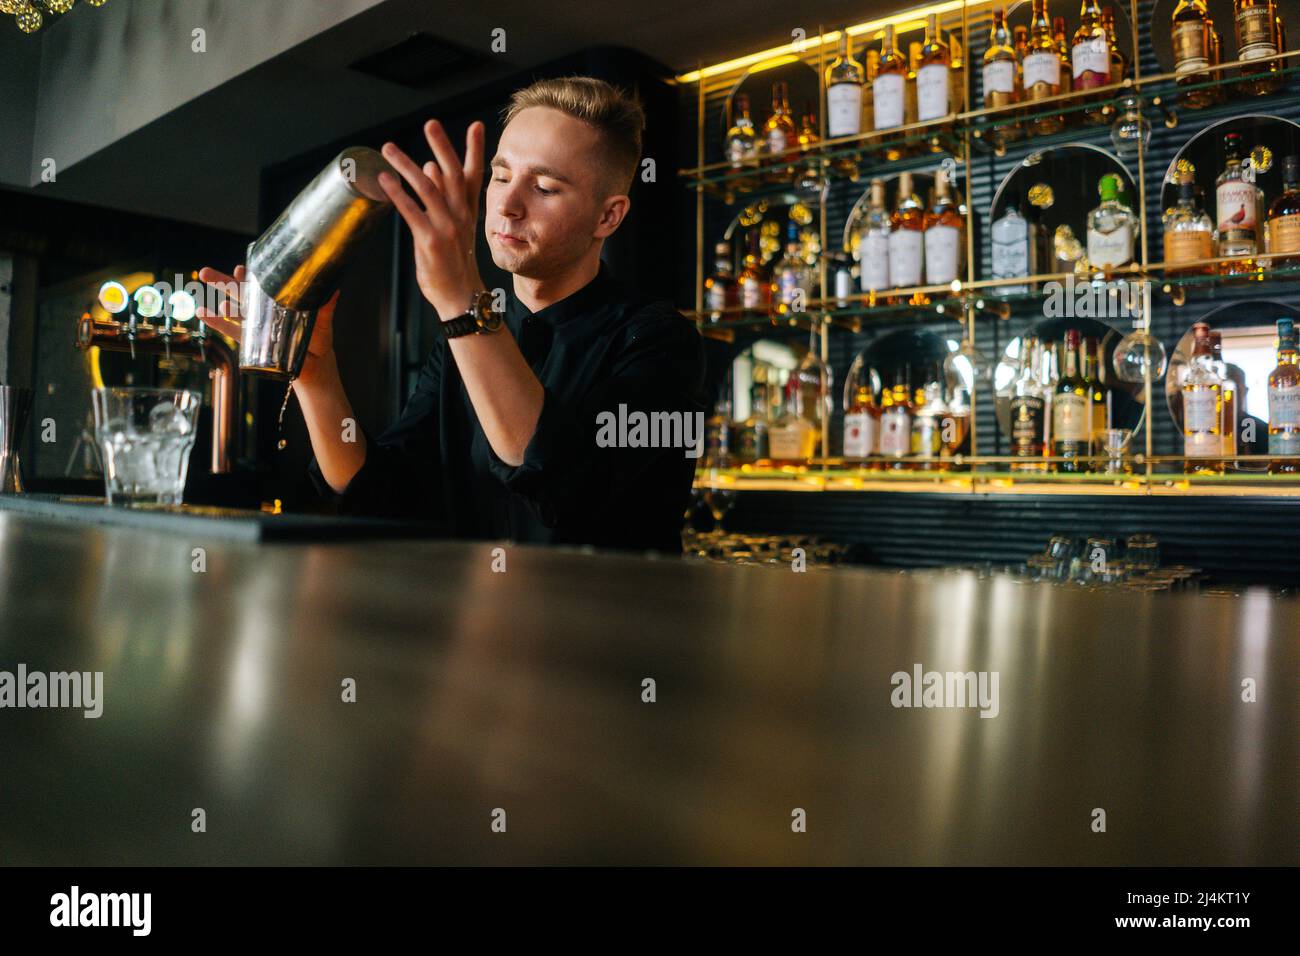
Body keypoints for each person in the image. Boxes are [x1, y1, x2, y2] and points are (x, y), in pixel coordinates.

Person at [200, 77, 705, 553]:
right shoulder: (461, 341)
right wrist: (315, 373)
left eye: (545, 188)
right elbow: (380, 494)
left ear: (608, 216)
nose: (507, 204)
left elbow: (560, 482)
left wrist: (461, 299)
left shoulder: (661, 341)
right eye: (501, 176)